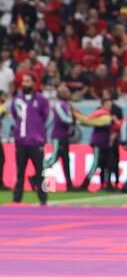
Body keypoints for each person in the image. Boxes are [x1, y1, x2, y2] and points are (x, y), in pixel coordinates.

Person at [9, 70, 50, 204]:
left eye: (27, 81)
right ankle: (16, 200)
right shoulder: (17, 100)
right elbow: (15, 117)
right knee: (20, 173)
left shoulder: (41, 100)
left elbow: (47, 118)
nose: (24, 84)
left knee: (40, 172)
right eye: (23, 81)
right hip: (21, 142)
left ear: (33, 83)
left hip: (36, 142)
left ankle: (43, 199)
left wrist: (40, 134)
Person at [48, 84, 76, 190]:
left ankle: (69, 184)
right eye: (66, 91)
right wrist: (72, 119)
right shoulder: (59, 105)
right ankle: (36, 176)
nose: (68, 93)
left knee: (66, 160)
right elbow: (64, 119)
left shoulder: (66, 105)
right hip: (57, 136)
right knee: (54, 158)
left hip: (64, 136)